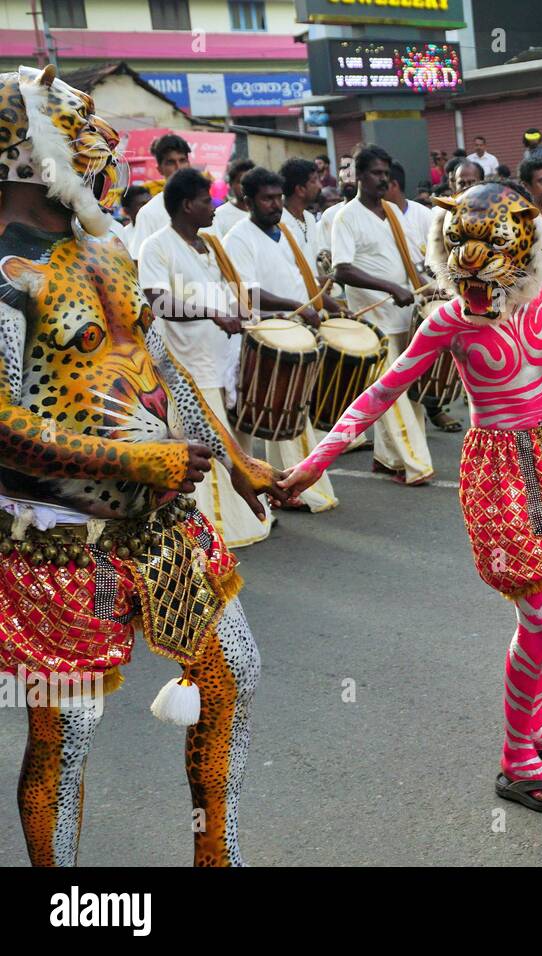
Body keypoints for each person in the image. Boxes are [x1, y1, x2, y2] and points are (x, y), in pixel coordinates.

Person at [0, 64, 281, 868]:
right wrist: (146, 456)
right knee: (69, 734)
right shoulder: (5, 276)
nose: (106, 151)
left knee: (232, 674)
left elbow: (159, 364)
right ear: (32, 152)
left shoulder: (102, 249)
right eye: (82, 133)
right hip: (55, 541)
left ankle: (214, 857)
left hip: (162, 523)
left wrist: (234, 463)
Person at [281, 180, 542, 813]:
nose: (473, 278)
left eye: (491, 259)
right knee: (537, 616)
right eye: (462, 254)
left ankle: (536, 732)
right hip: (499, 470)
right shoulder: (448, 320)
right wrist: (316, 460)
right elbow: (382, 392)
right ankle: (517, 759)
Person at [137, 168, 274, 547]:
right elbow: (158, 300)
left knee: (231, 439)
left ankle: (243, 513)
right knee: (210, 446)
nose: (213, 206)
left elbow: (237, 293)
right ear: (186, 205)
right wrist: (212, 314)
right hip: (187, 365)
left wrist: (253, 313)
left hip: (226, 361)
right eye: (204, 200)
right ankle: (217, 529)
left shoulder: (211, 245)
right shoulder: (157, 246)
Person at [224, 166, 348, 513]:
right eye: (267, 198)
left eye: (278, 197)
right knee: (263, 421)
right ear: (247, 201)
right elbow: (245, 291)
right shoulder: (238, 237)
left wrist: (328, 303)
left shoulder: (285, 231)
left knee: (288, 417)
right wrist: (295, 306)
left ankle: (286, 485)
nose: (275, 204)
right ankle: (271, 492)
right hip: (264, 337)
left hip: (297, 333)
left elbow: (302, 277)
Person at [330, 144, 436, 485]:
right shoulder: (346, 217)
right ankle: (416, 464)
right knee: (391, 393)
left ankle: (388, 458)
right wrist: (391, 289)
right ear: (359, 176)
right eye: (375, 173)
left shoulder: (391, 211)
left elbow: (409, 258)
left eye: (386, 174)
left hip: (406, 317)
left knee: (406, 392)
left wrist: (425, 287)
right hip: (373, 321)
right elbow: (341, 271)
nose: (382, 179)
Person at [386, 160, 460, 433]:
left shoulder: (423, 214)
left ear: (392, 184)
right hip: (398, 302)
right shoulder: (379, 217)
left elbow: (442, 253)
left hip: (429, 295)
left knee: (430, 359)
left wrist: (441, 285)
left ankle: (435, 406)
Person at [129, 132, 192, 258]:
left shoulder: (202, 206)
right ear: (159, 169)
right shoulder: (149, 213)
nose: (178, 167)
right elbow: (138, 260)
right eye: (170, 162)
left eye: (182, 160)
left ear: (189, 163)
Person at [213, 158, 255, 236]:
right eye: (240, 182)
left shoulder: (264, 212)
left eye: (249, 181)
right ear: (231, 184)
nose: (245, 186)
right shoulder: (219, 215)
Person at [114, 184, 151, 253]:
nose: (149, 208)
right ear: (126, 211)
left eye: (150, 203)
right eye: (143, 204)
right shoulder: (121, 236)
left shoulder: (162, 229)